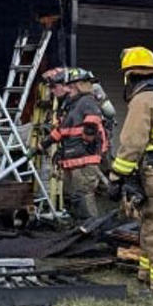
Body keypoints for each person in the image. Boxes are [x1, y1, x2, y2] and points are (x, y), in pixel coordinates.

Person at [109, 46, 153, 296]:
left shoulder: (144, 99)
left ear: (130, 75)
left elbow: (132, 143)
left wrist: (117, 176)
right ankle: (147, 276)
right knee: (151, 224)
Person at [41, 67, 108, 221]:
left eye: (69, 86)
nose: (67, 89)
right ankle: (78, 228)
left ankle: (91, 229)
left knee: (83, 198)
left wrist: (85, 142)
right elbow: (62, 130)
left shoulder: (87, 101)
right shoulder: (71, 105)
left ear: (78, 86)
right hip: (72, 160)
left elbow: (92, 123)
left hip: (84, 161)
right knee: (73, 199)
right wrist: (43, 145)